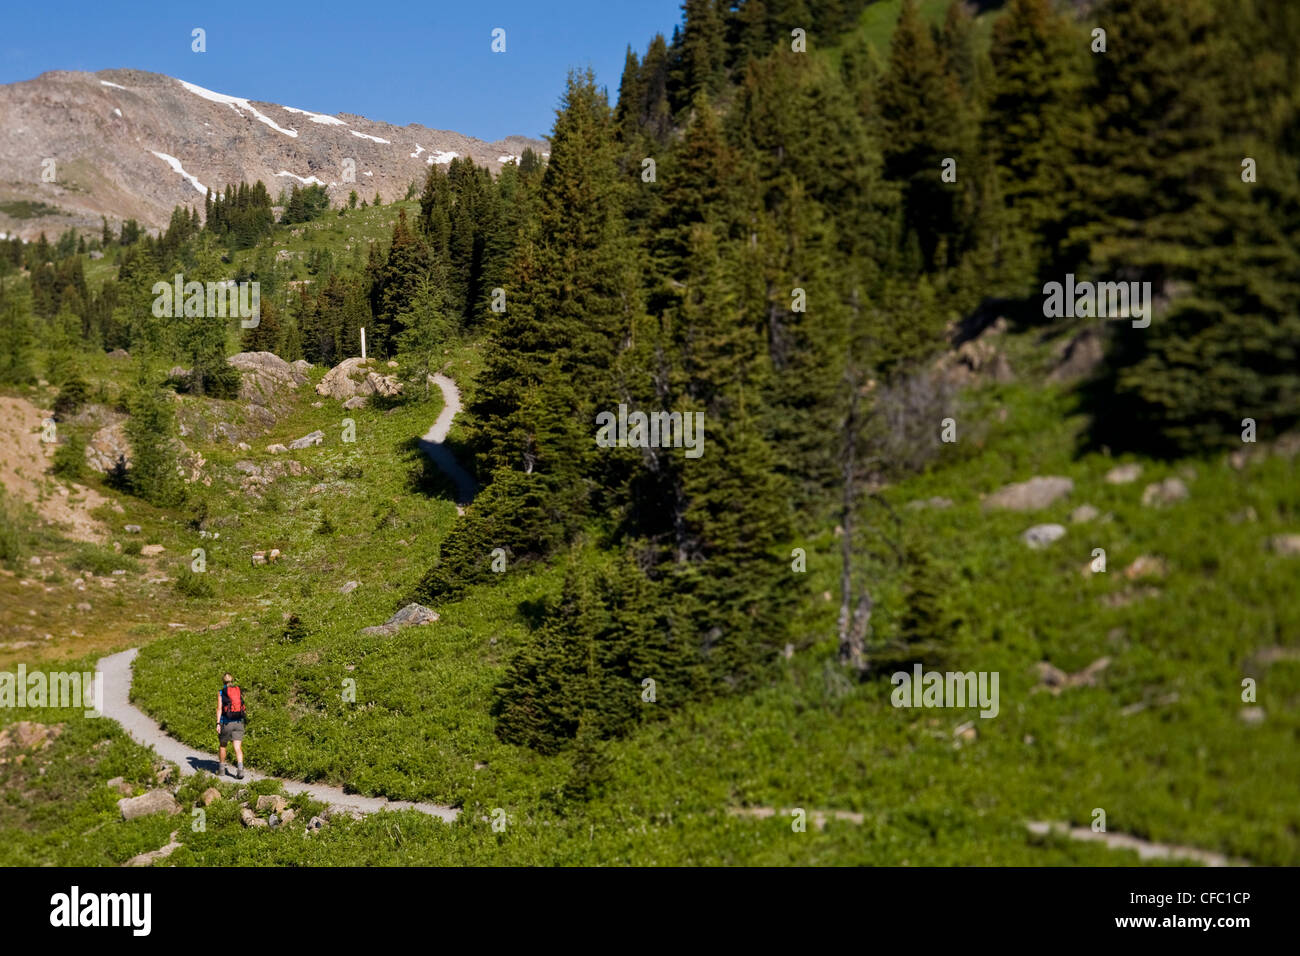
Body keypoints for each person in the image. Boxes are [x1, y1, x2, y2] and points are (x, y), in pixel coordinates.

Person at [216, 672, 246, 779]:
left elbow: (219, 708)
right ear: (232, 681)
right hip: (238, 722)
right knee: (237, 747)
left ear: (223, 682)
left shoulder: (221, 692)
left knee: (223, 745)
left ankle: (222, 769)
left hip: (226, 723)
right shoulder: (238, 691)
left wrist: (218, 723)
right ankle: (240, 769)